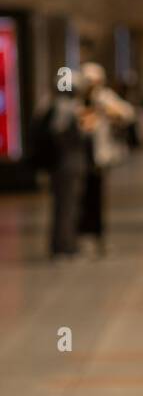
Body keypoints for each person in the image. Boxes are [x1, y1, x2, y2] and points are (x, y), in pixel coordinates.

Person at [77, 62, 135, 256]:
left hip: (98, 157)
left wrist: (109, 113)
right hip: (79, 157)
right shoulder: (76, 100)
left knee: (96, 198)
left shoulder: (103, 98)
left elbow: (127, 113)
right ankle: (82, 237)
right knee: (81, 200)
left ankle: (97, 237)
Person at [34, 78, 88, 260]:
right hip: (67, 164)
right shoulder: (66, 109)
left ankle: (61, 244)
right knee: (67, 206)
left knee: (62, 206)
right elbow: (60, 135)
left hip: (61, 165)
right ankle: (65, 245)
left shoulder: (50, 106)